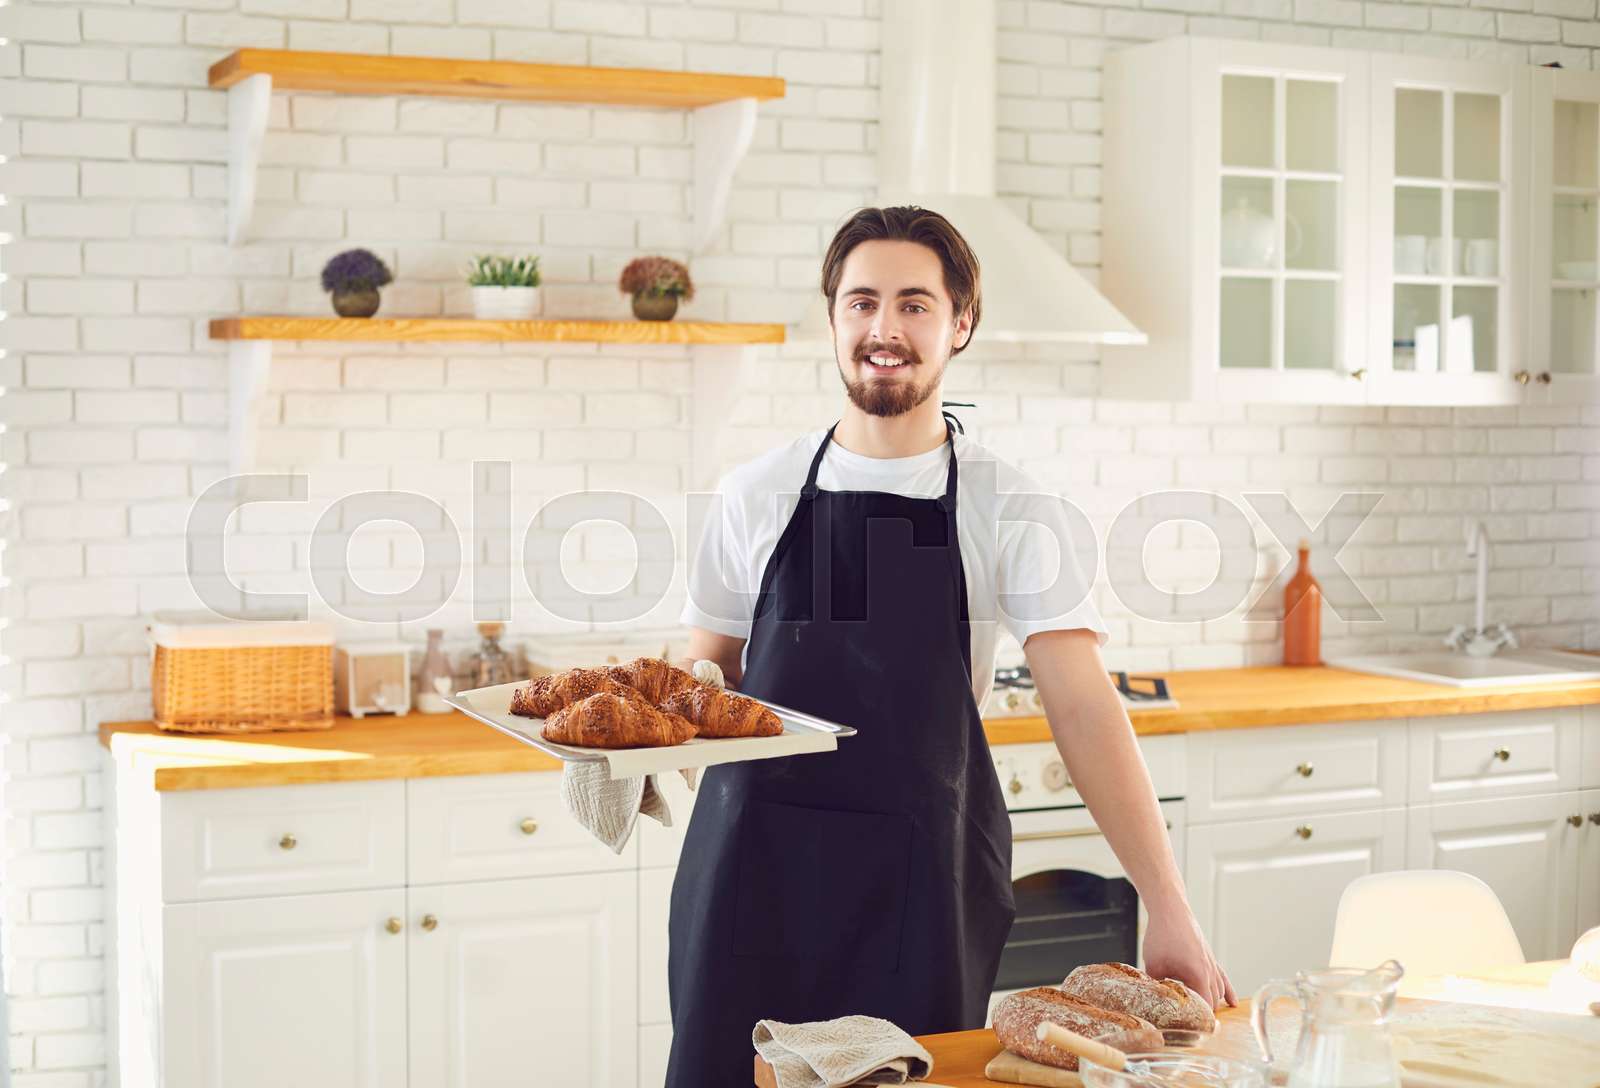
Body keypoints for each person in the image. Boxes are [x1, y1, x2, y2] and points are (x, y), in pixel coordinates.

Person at [666, 206, 1233, 1087]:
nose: (883, 329)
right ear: (832, 319)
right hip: (752, 875)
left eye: (914, 305)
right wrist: (627, 736)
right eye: (860, 303)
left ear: (961, 323)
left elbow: (1083, 708)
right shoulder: (755, 492)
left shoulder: (1011, 505)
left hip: (918, 883)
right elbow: (707, 677)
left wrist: (1169, 906)